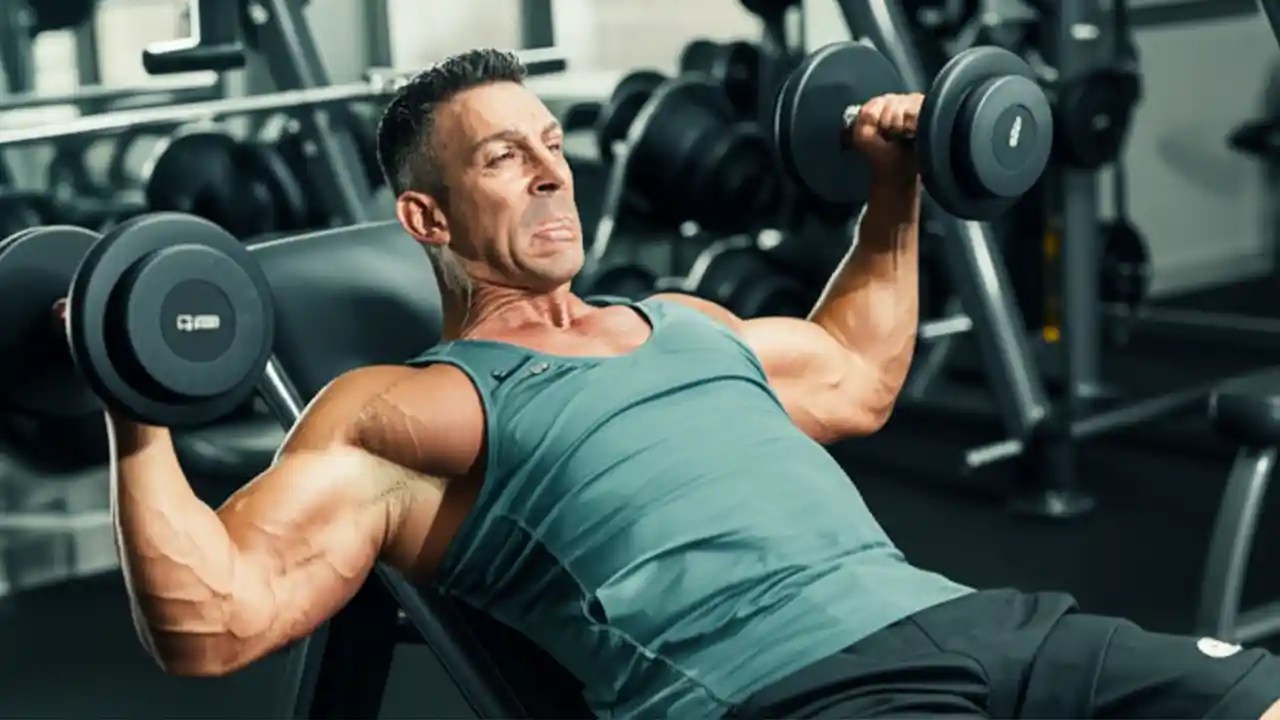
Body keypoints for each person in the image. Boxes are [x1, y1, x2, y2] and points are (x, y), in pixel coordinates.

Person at [90, 47, 1280, 719]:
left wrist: (892, 186)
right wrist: (133, 392)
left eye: (552, 143)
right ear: (426, 216)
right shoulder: (409, 411)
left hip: (984, 624)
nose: (551, 174)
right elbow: (215, 620)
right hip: (802, 696)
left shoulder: (684, 321)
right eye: (505, 159)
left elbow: (858, 376)